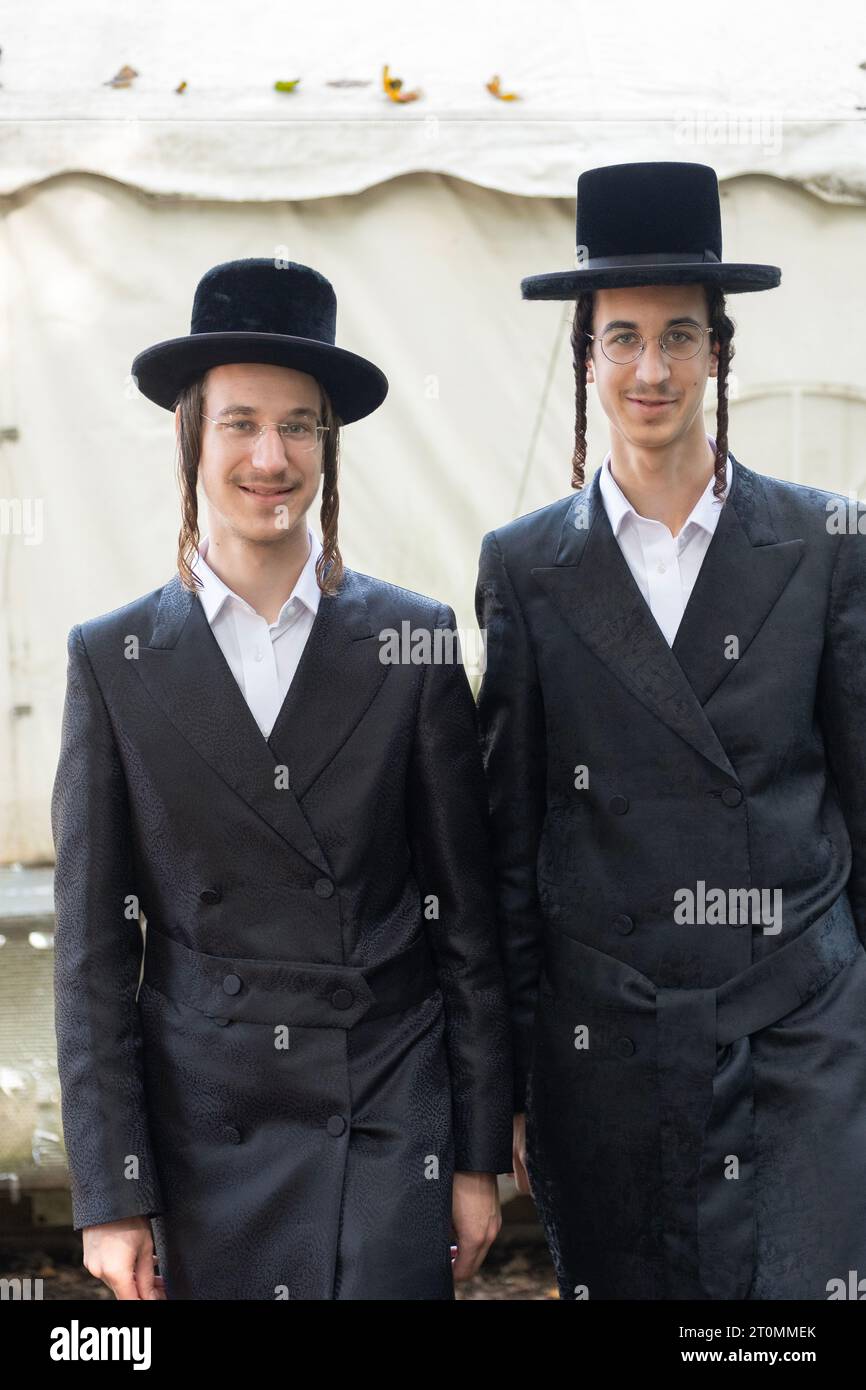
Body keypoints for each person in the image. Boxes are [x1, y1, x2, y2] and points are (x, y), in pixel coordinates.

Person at [52, 256, 513, 1300]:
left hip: (385, 1114)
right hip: (201, 1131)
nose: (271, 456)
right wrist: (111, 1191)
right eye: (241, 422)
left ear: (328, 445)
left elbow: (466, 927)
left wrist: (476, 1152)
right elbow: (89, 956)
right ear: (191, 435)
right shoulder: (111, 659)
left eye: (300, 425)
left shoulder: (414, 639)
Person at [474, 161, 866, 1300]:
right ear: (585, 356)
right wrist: (499, 1079)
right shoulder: (527, 567)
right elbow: (510, 835)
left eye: (679, 337)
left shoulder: (825, 543)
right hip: (609, 1047)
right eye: (622, 337)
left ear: (717, 354)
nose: (652, 369)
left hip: (799, 1031)